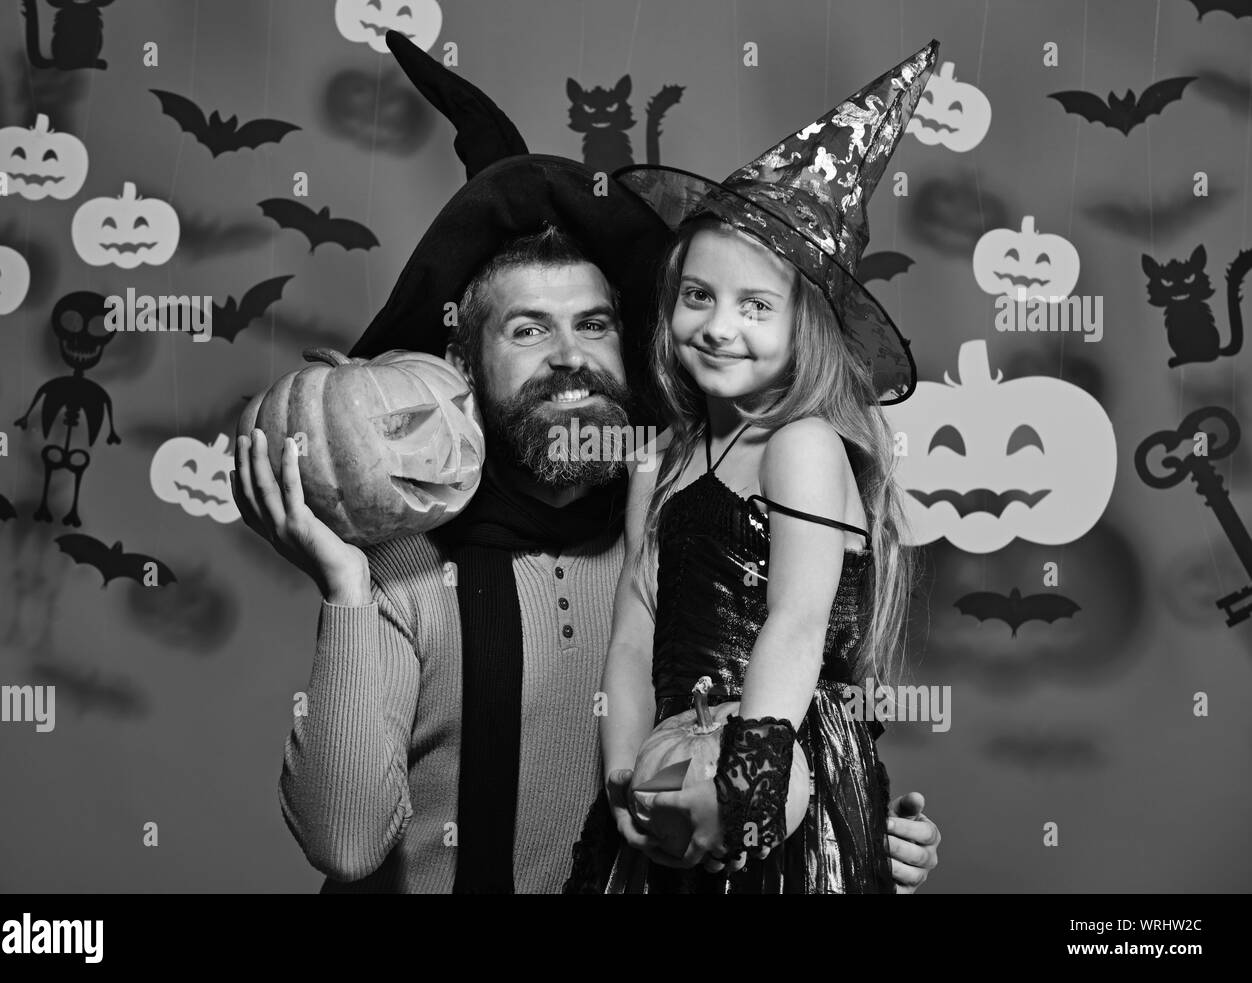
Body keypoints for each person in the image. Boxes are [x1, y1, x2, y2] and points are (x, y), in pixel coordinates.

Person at [230, 30, 941, 894]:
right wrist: (348, 590)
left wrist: (856, 826)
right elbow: (345, 846)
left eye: (593, 324)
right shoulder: (408, 566)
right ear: (460, 363)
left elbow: (794, 673)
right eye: (528, 329)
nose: (570, 356)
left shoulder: (670, 524)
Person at [563, 40, 941, 893]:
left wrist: (750, 789)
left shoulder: (803, 447)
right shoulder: (658, 460)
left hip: (779, 766)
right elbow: (631, 630)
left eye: (754, 305)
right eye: (699, 295)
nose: (718, 326)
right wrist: (625, 772)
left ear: (805, 323)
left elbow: (797, 624)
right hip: (673, 764)